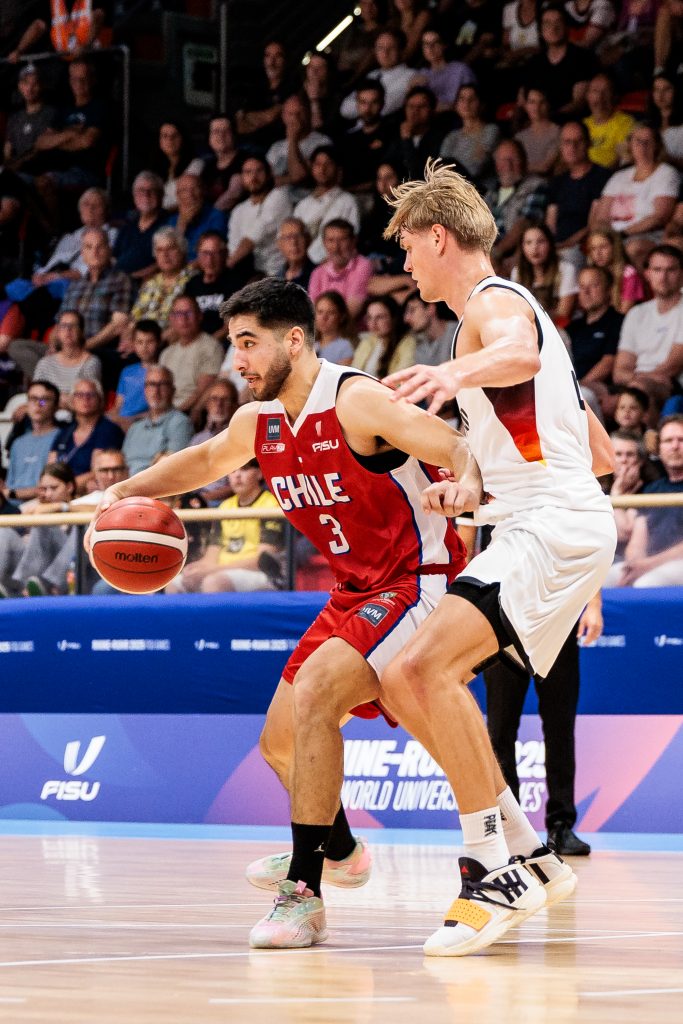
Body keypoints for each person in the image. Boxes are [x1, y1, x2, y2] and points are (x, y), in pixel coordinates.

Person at [85, 278, 576, 957]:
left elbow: (457, 445)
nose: (238, 361)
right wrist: (121, 490)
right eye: (234, 345)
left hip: (417, 579)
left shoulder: (356, 400)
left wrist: (466, 483)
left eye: (249, 343)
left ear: (294, 340)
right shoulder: (258, 423)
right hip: (354, 592)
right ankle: (342, 851)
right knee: (279, 744)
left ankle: (304, 893)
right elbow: (205, 460)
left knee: (318, 691)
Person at [379, 160, 615, 955]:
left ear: (437, 237)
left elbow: (519, 354)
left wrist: (449, 374)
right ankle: (526, 852)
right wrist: (471, 490)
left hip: (550, 526)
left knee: (421, 670)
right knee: (403, 679)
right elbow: (597, 452)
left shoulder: (493, 302)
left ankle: (490, 870)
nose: (404, 263)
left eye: (407, 246)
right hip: (544, 520)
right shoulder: (494, 320)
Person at [484, 591, 603, 857]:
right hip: (504, 617)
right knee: (499, 731)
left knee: (560, 727)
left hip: (557, 618)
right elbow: (472, 561)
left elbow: (590, 560)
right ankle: (509, 827)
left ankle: (561, 826)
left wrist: (593, 604)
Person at [166, 459, 284, 594]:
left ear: (259, 473)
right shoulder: (225, 507)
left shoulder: (272, 505)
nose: (237, 475)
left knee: (213, 582)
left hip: (261, 573)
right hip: (221, 571)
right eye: (233, 471)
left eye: (245, 469)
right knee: (176, 583)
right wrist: (196, 569)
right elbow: (212, 554)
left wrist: (212, 570)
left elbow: (262, 560)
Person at [590, 122, 680, 270]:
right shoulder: (619, 176)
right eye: (638, 141)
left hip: (649, 235)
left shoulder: (666, 173)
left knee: (633, 248)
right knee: (600, 249)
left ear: (657, 145)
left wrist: (623, 234)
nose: (642, 146)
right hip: (614, 237)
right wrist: (607, 238)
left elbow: (659, 217)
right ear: (630, 144)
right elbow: (601, 217)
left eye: (647, 141)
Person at [613, 244, 683, 422]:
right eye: (657, 270)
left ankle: (646, 438)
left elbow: (671, 367)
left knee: (637, 392)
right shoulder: (637, 313)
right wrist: (635, 380)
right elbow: (620, 371)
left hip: (671, 384)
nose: (663, 277)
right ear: (647, 274)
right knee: (588, 394)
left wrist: (636, 381)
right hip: (635, 382)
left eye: (671, 270)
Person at [613, 414, 683, 586]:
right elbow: (638, 537)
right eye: (668, 441)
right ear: (659, 449)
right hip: (650, 565)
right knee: (598, 581)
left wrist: (647, 565)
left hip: (671, 564)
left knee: (645, 584)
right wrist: (634, 565)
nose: (675, 446)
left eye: (681, 440)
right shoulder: (653, 489)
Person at [545, 121, 610, 266]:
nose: (572, 147)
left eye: (578, 141)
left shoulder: (601, 177)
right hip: (557, 245)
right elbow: (550, 224)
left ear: (588, 143)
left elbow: (593, 225)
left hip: (582, 245)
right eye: (567, 142)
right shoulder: (557, 182)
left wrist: (565, 245)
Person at [49, 378, 124, 494]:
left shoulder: (108, 429)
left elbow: (97, 471)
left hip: (85, 493)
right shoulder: (64, 432)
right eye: (80, 395)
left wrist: (62, 489)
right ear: (72, 400)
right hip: (58, 491)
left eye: (91, 394)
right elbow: (50, 469)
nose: (85, 399)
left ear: (100, 400)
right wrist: (52, 487)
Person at [158, 295, 223, 421]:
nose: (184, 318)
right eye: (178, 314)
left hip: (186, 413)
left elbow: (202, 390)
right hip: (165, 412)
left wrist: (172, 415)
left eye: (189, 312)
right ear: (171, 319)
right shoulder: (166, 353)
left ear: (199, 316)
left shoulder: (211, 347)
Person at [227, 155, 293, 278]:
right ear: (242, 177)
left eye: (259, 171)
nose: (253, 177)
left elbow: (258, 232)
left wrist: (228, 264)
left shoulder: (279, 196)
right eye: (248, 172)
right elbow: (233, 247)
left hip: (277, 272)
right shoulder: (238, 210)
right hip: (249, 273)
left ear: (268, 174)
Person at [121, 365, 193, 476]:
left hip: (153, 483)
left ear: (172, 390)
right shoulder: (135, 427)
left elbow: (171, 467)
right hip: (124, 481)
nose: (156, 391)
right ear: (145, 390)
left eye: (162, 385)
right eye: (151, 384)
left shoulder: (181, 423)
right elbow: (121, 463)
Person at [293, 146, 360, 264]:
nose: (322, 169)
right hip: (303, 265)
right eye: (318, 164)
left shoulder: (347, 201)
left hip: (331, 265)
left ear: (337, 169)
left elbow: (351, 239)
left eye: (328, 164)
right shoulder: (302, 205)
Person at [2, 379, 59, 503]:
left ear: (55, 406)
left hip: (44, 504)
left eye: (44, 400)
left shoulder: (62, 438)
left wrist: (13, 493)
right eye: (33, 399)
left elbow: (57, 484)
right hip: (11, 507)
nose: (38, 404)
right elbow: (9, 484)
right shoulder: (17, 443)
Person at [511, 222, 578, 326]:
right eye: (528, 243)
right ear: (522, 247)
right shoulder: (517, 272)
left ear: (550, 244)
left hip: (559, 329)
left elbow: (563, 315)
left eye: (541, 242)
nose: (535, 248)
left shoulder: (566, 269)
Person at [32, 308, 102, 406]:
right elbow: (36, 400)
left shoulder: (91, 362)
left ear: (81, 332)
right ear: (58, 332)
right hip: (46, 412)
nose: (68, 330)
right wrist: (47, 403)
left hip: (76, 414)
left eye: (73, 326)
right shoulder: (45, 363)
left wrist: (49, 399)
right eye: (63, 326)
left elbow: (85, 401)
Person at [308, 219, 373, 321]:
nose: (336, 248)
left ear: (353, 241)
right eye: (331, 240)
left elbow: (351, 312)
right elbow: (311, 312)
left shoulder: (363, 266)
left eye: (342, 240)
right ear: (324, 243)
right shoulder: (317, 273)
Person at [439, 84, 500, 184]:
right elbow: (442, 168)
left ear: (481, 104)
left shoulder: (491, 130)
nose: (466, 103)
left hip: (481, 188)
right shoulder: (452, 136)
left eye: (472, 99)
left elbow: (476, 167)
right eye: (462, 99)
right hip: (454, 187)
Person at [109, 319, 162, 428]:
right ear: (133, 344)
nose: (144, 347)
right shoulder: (127, 371)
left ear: (159, 342)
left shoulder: (161, 373)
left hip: (142, 422)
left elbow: (160, 409)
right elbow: (118, 406)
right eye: (140, 342)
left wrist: (132, 420)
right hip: (121, 420)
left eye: (150, 342)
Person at [585, 227, 646, 314]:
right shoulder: (590, 274)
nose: (598, 253)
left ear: (615, 247)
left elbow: (623, 313)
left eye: (603, 247)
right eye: (593, 248)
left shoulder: (629, 274)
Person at [352, 295, 416, 376]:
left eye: (380, 317)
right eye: (369, 317)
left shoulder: (408, 343)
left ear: (394, 318)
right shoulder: (367, 341)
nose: (373, 323)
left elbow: (402, 377)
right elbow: (353, 373)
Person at [583, 72, 635, 170]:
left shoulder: (625, 122)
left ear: (614, 96)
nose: (599, 97)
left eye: (605, 92)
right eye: (595, 91)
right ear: (587, 96)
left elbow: (622, 159)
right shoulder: (582, 125)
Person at [314, 292, 356, 365]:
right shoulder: (311, 345)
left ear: (342, 317)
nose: (324, 317)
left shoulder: (345, 347)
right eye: (320, 312)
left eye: (331, 312)